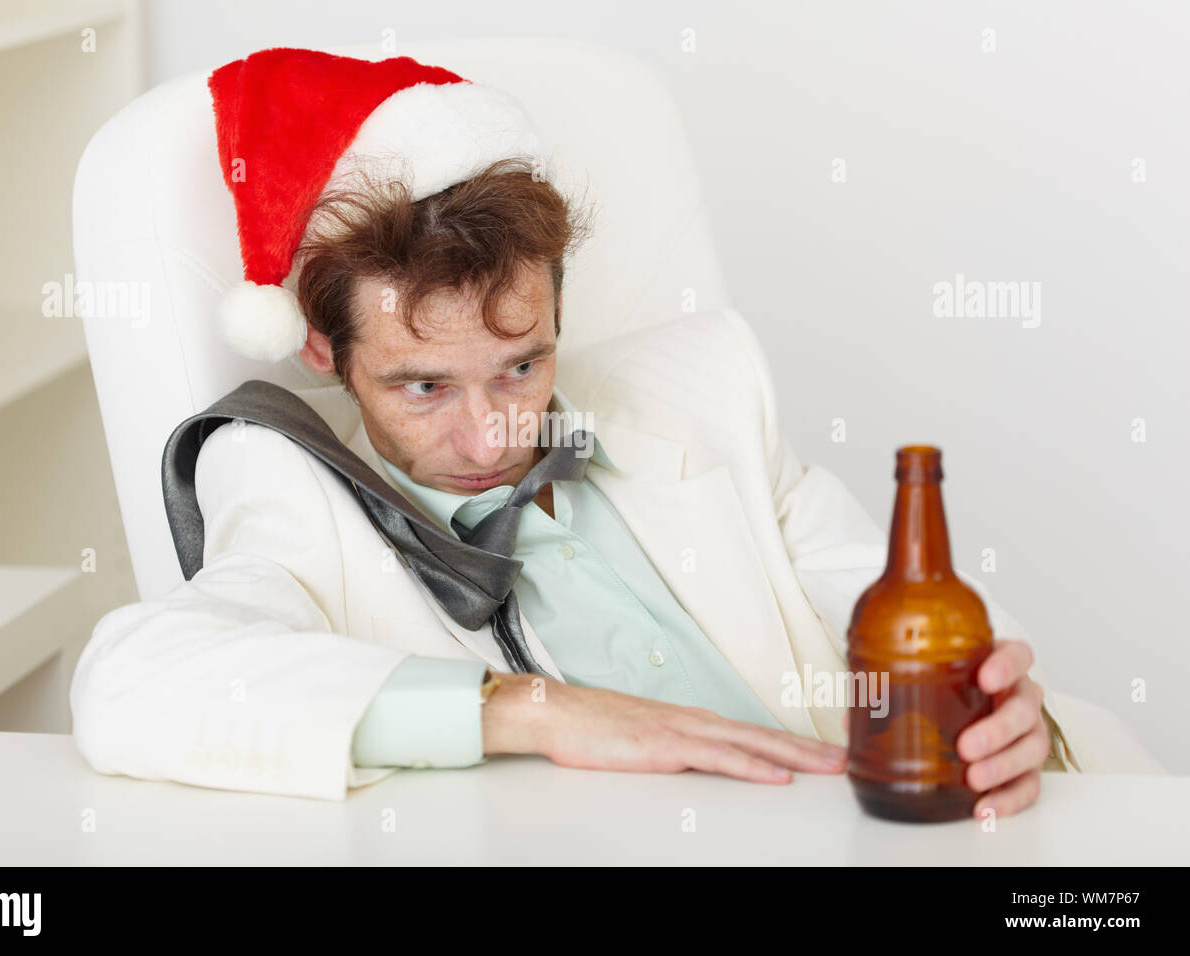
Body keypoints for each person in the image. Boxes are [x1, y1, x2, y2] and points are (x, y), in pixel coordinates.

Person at [71, 47, 1156, 813]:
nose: (492, 429)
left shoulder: (706, 383)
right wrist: (534, 710)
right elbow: (129, 682)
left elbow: (900, 613)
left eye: (522, 364)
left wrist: (1010, 722)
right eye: (421, 387)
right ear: (323, 351)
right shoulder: (285, 481)